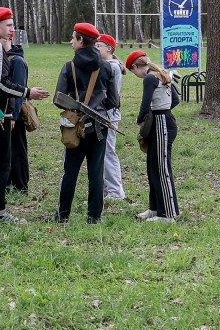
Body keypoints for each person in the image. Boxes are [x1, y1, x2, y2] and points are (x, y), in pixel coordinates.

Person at [0, 7, 50, 223]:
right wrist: (27, 92)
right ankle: (0, 211)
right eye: (8, 25)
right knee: (0, 162)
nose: (12, 30)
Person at [53, 23, 120, 224]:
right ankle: (94, 217)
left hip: (74, 128)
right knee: (96, 173)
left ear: (81, 40)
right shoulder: (107, 67)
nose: (71, 42)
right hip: (98, 128)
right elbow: (113, 102)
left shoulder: (69, 67)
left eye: (73, 38)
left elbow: (58, 99)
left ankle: (63, 216)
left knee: (70, 172)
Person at [125, 50, 181, 223]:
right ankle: (155, 208)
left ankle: (168, 214)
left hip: (162, 123)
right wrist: (164, 107)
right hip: (163, 121)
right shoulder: (161, 74)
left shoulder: (150, 78)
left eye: (133, 72)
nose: (136, 75)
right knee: (152, 167)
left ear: (135, 67)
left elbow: (144, 104)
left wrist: (140, 119)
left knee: (162, 169)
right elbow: (176, 100)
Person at [96, 33, 126, 203]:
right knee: (103, 152)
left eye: (99, 46)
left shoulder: (112, 67)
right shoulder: (107, 65)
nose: (96, 48)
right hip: (104, 114)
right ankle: (108, 188)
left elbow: (110, 95)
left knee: (108, 152)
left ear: (109, 48)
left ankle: (115, 190)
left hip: (109, 114)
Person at [7, 30, 31, 194]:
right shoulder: (2, 58)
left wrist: (14, 116)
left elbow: (19, 91)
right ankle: (8, 181)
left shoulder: (17, 61)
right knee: (7, 149)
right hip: (4, 113)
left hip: (15, 113)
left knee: (18, 149)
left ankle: (21, 185)